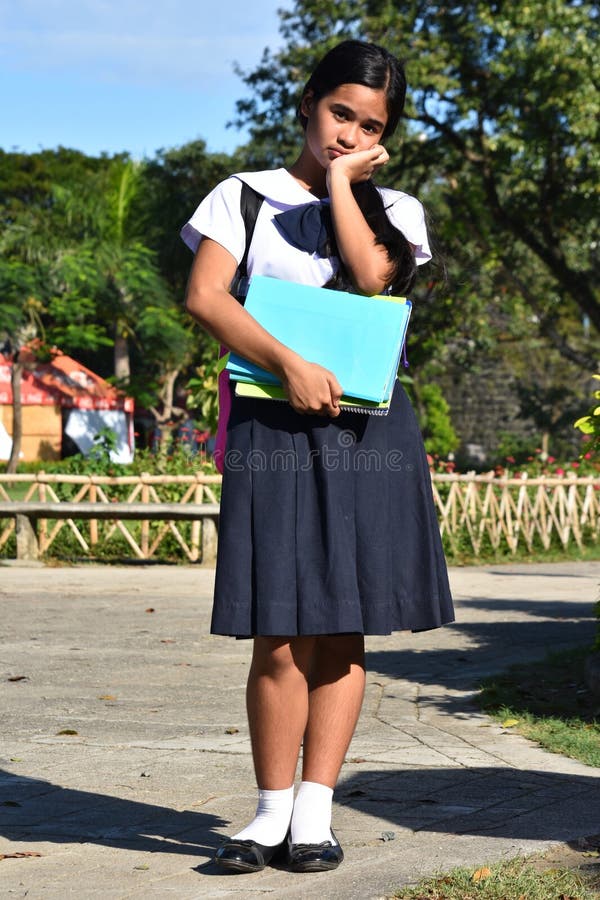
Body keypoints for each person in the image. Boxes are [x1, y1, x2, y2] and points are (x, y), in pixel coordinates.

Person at [182, 39, 454, 874]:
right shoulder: (242, 197)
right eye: (340, 114)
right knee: (279, 624)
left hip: (371, 431)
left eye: (368, 125)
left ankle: (315, 814)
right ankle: (266, 816)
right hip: (273, 426)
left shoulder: (397, 209)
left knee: (343, 622)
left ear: (383, 136)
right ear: (307, 104)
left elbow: (374, 284)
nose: (348, 133)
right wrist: (288, 364)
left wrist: (342, 185)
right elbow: (203, 296)